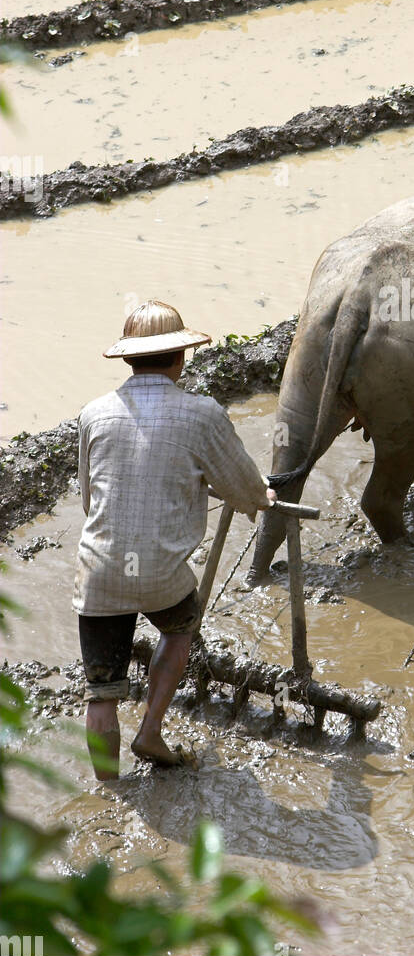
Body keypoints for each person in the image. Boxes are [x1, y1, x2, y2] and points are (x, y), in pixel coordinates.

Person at [75, 301, 275, 777]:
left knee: (100, 693)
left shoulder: (93, 414)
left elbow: (89, 499)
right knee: (180, 626)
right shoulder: (202, 414)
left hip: (100, 572)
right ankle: (150, 731)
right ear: (180, 356)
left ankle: (109, 791)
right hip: (162, 574)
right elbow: (242, 485)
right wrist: (261, 497)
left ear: (129, 358)